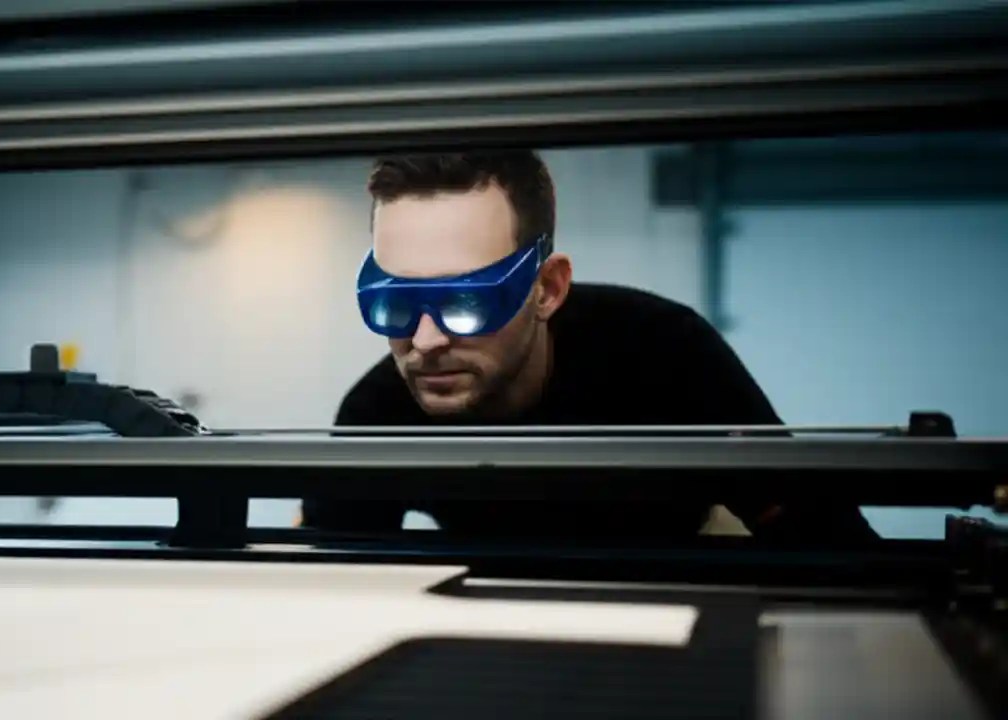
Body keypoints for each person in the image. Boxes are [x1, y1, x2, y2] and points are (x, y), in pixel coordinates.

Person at [301, 150, 877, 543]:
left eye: (469, 302)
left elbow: (823, 537)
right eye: (395, 304)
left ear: (548, 290)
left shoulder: (664, 353)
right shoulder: (378, 409)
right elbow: (328, 581)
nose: (425, 342)